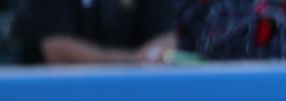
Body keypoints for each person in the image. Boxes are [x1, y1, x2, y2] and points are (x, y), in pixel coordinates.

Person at [13, 0, 180, 65]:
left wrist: (152, 55)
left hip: (131, 100)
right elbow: (57, 50)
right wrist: (134, 59)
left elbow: (166, 41)